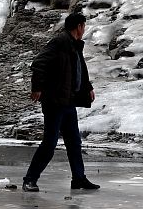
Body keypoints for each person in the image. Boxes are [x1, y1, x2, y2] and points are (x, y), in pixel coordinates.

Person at [22, 12, 100, 192]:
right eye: (84, 26)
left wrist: (87, 87)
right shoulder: (59, 42)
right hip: (55, 102)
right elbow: (39, 63)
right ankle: (30, 179)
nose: (84, 29)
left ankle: (78, 179)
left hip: (68, 102)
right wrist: (37, 88)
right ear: (79, 26)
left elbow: (79, 69)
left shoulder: (74, 45)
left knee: (74, 142)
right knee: (49, 143)